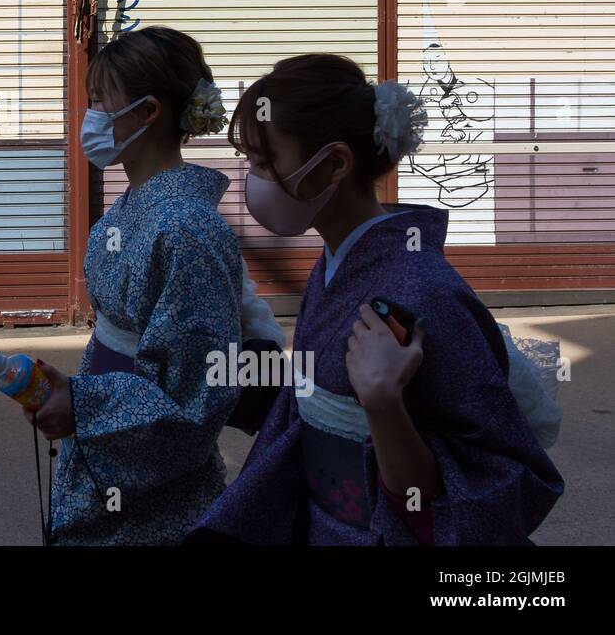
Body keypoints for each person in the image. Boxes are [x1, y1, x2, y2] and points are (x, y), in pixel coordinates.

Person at [191, 54, 564, 545]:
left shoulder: (423, 290)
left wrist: (383, 402)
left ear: (335, 164)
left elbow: (479, 477)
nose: (252, 179)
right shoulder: (334, 264)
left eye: (264, 161)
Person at [26, 26, 243, 544]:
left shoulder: (186, 228)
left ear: (149, 112)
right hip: (108, 439)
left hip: (153, 499)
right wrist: (73, 392)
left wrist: (85, 405)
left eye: (101, 101)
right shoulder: (137, 210)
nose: (91, 116)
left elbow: (195, 394)